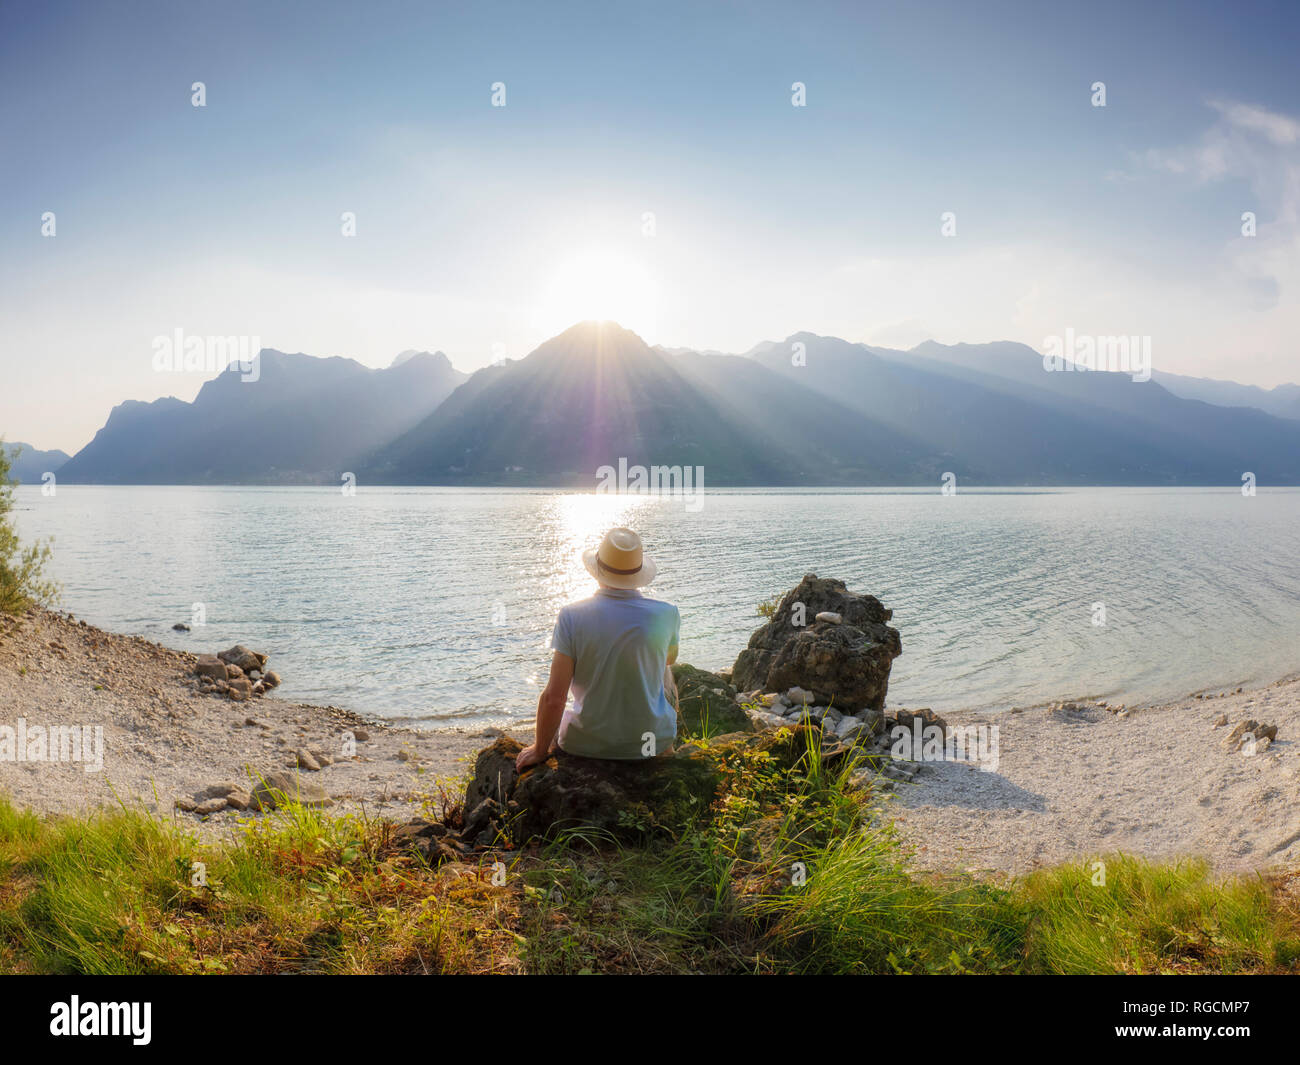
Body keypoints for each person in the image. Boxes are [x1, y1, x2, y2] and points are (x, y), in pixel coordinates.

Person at [515, 527, 680, 769]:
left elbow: (555, 697)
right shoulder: (667, 613)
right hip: (651, 744)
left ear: (598, 569)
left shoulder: (572, 616)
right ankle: (663, 749)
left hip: (585, 745)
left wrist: (539, 749)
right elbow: (669, 660)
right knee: (665, 671)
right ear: (638, 572)